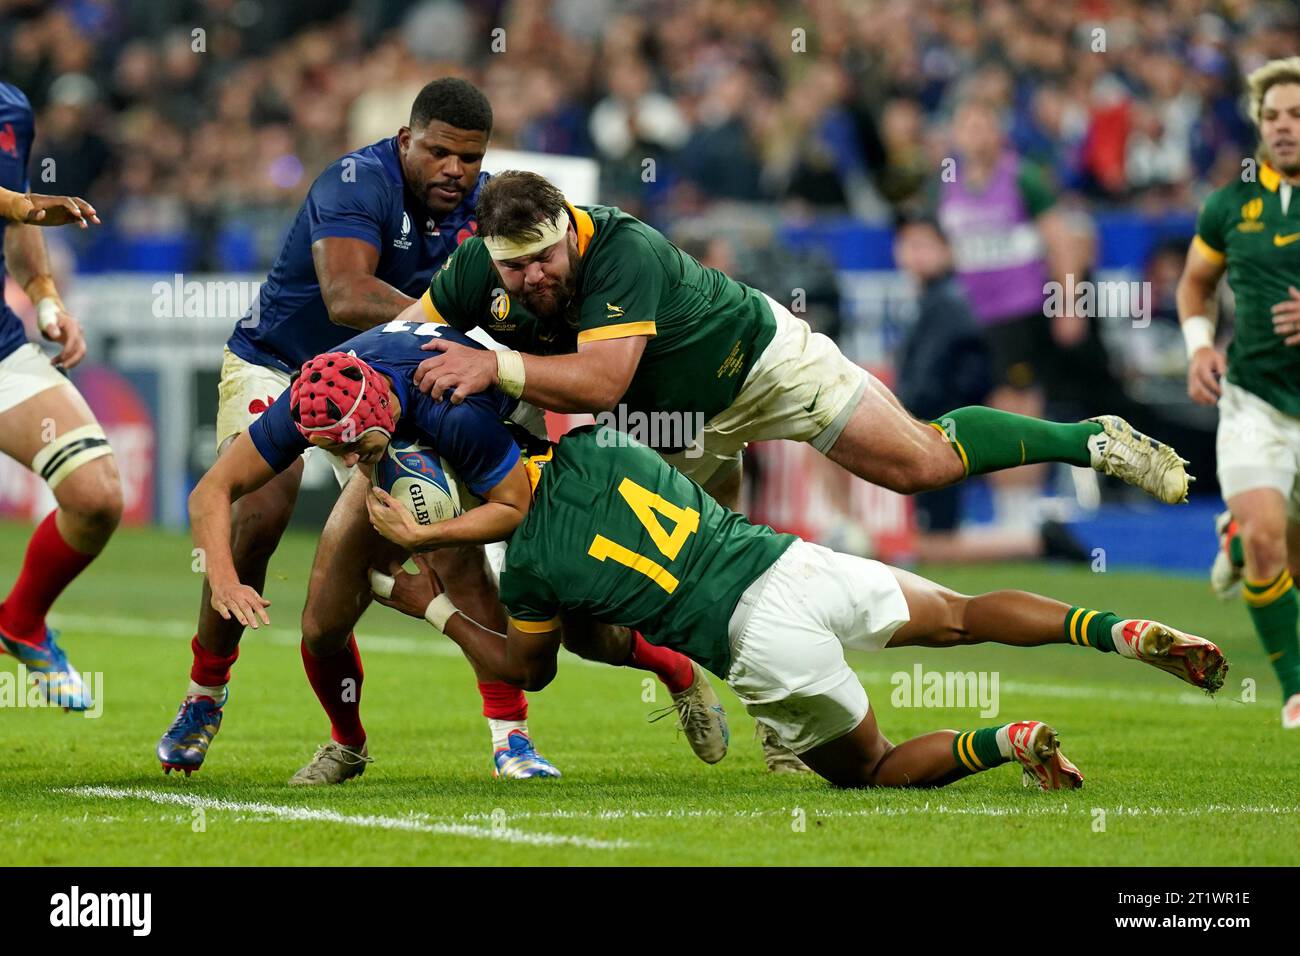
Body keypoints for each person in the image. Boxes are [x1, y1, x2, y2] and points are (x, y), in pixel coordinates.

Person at [403, 168, 1191, 768]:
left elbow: (602, 382)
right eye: (516, 270)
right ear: (488, 256)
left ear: (569, 229)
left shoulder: (623, 249)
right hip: (672, 426)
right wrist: (328, 389)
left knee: (920, 463)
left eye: (545, 259)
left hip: (761, 364)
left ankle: (1089, 437)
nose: (533, 279)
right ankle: (707, 685)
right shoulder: (480, 271)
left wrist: (496, 369)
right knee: (617, 610)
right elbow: (405, 334)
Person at [364, 418, 1227, 791]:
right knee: (962, 613)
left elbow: (530, 669)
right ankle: (1115, 630)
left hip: (754, 637)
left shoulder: (528, 573)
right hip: (792, 562)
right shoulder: (599, 445)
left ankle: (1011, 740)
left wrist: (424, 601)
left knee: (872, 768)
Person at [157, 77, 560, 778]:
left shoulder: (487, 206)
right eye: (438, 152)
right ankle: (206, 688)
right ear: (407, 140)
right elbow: (345, 297)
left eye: (469, 157)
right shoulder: (355, 181)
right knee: (258, 511)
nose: (454, 170)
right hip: (286, 365)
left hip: (394, 381)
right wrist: (451, 332)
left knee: (446, 539)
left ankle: (510, 738)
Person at [180, 323, 727, 783]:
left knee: (577, 633)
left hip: (517, 456)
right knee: (322, 625)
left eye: (352, 448)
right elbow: (211, 491)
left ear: (382, 410)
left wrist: (423, 540)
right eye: (333, 450)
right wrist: (224, 580)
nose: (345, 463)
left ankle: (644, 683)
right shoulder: (318, 397)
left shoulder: (452, 409)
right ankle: (347, 745)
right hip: (405, 441)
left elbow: (511, 505)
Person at [1179, 56, 1300, 728]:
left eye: (1296, 116)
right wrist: (1199, 343)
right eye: (1272, 116)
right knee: (1266, 544)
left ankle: (1230, 542)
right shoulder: (1233, 203)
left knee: (1288, 562)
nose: (1283, 128)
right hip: (1254, 400)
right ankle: (1295, 692)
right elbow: (1195, 282)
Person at [0, 82, 119, 711]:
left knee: (95, 494)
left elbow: (16, 223)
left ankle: (20, 622)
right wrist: (19, 205)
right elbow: (17, 208)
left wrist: (45, 297)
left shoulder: (12, 108)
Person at [892, 211, 1086, 563]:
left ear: (949, 250)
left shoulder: (948, 303)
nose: (914, 254)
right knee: (926, 542)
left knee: (928, 547)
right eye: (908, 244)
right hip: (937, 432)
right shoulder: (935, 301)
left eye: (924, 244)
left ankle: (1034, 540)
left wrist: (895, 415)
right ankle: (1028, 536)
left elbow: (926, 385)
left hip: (937, 436)